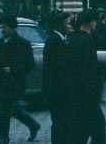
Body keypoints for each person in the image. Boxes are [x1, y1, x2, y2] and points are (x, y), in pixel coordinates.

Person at [0, 14, 41, 144]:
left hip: (15, 83)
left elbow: (30, 64)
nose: (2, 30)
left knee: (3, 110)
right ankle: (33, 125)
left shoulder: (23, 44)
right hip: (2, 83)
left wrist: (13, 70)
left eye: (5, 27)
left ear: (13, 28)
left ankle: (4, 138)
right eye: (1, 27)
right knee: (12, 109)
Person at [68, 9, 106, 143]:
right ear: (91, 23)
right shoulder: (86, 41)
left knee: (84, 130)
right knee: (97, 126)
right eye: (95, 22)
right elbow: (88, 70)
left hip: (75, 92)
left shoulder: (73, 38)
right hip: (86, 94)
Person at [44, 11, 72, 143]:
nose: (69, 25)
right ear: (60, 24)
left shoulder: (59, 39)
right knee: (60, 123)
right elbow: (59, 68)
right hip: (58, 91)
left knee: (62, 122)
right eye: (67, 22)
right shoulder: (54, 41)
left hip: (58, 90)